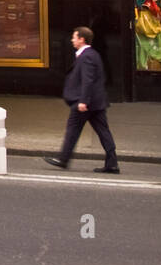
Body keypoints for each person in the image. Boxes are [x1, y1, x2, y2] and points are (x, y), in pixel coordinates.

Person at [45, 26, 119, 173]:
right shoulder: (92, 54)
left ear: (81, 39)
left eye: (74, 37)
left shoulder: (87, 57)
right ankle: (112, 163)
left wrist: (83, 101)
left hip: (85, 103)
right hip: (96, 102)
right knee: (103, 132)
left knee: (73, 130)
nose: (72, 40)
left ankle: (63, 159)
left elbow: (88, 80)